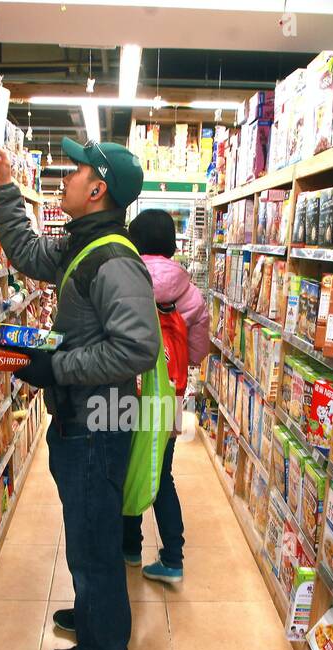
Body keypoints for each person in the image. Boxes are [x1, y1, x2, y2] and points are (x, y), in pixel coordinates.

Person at [0, 138, 159, 650]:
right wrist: (3, 186)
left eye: (78, 168)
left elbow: (136, 347)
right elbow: (30, 255)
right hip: (82, 416)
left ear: (98, 189)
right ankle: (92, 613)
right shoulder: (85, 242)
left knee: (94, 537)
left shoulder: (113, 259)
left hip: (99, 421)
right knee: (86, 528)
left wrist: (54, 366)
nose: (67, 174)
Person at [122, 209, 210, 584]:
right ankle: (172, 557)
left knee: (126, 467)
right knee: (161, 473)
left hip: (125, 393)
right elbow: (198, 351)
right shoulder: (191, 295)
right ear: (173, 245)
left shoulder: (123, 282)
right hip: (168, 397)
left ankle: (129, 547)